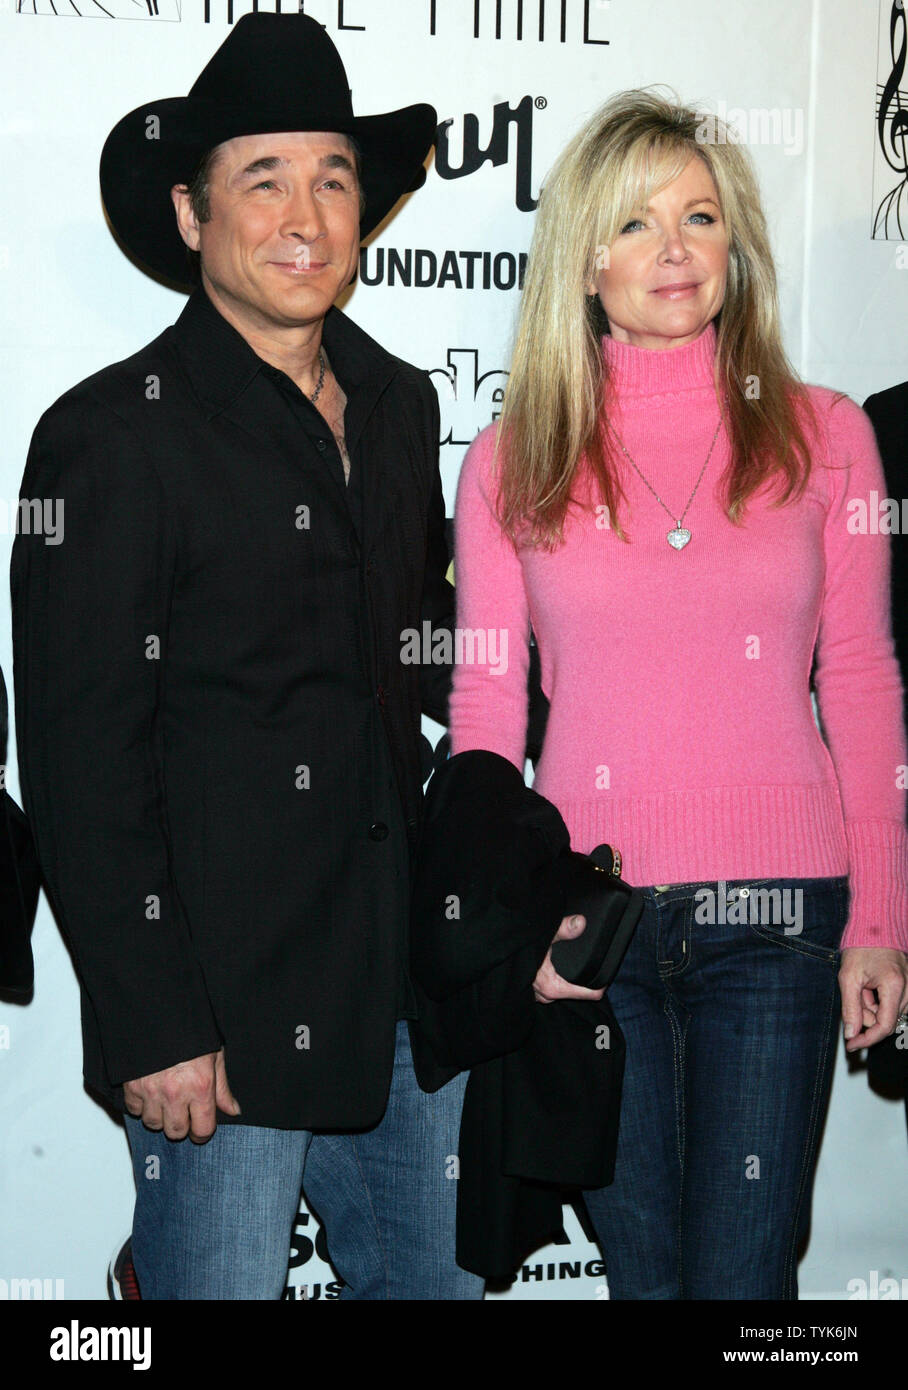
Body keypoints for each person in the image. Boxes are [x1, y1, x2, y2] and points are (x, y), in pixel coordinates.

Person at [11, 12, 481, 1301]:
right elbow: (76, 759)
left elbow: (416, 653)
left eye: (332, 177)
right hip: (215, 1009)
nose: (304, 214)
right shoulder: (108, 436)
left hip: (397, 990)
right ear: (189, 213)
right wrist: (154, 1020)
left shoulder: (399, 407)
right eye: (261, 178)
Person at [448, 88, 908, 1299]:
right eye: (635, 223)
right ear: (582, 262)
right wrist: (516, 927)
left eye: (697, 217)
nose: (672, 248)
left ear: (731, 247)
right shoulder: (512, 457)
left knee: (744, 1290)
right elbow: (486, 713)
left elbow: (859, 679)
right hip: (594, 920)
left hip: (777, 925)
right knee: (646, 1286)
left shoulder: (824, 436)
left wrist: (879, 919)